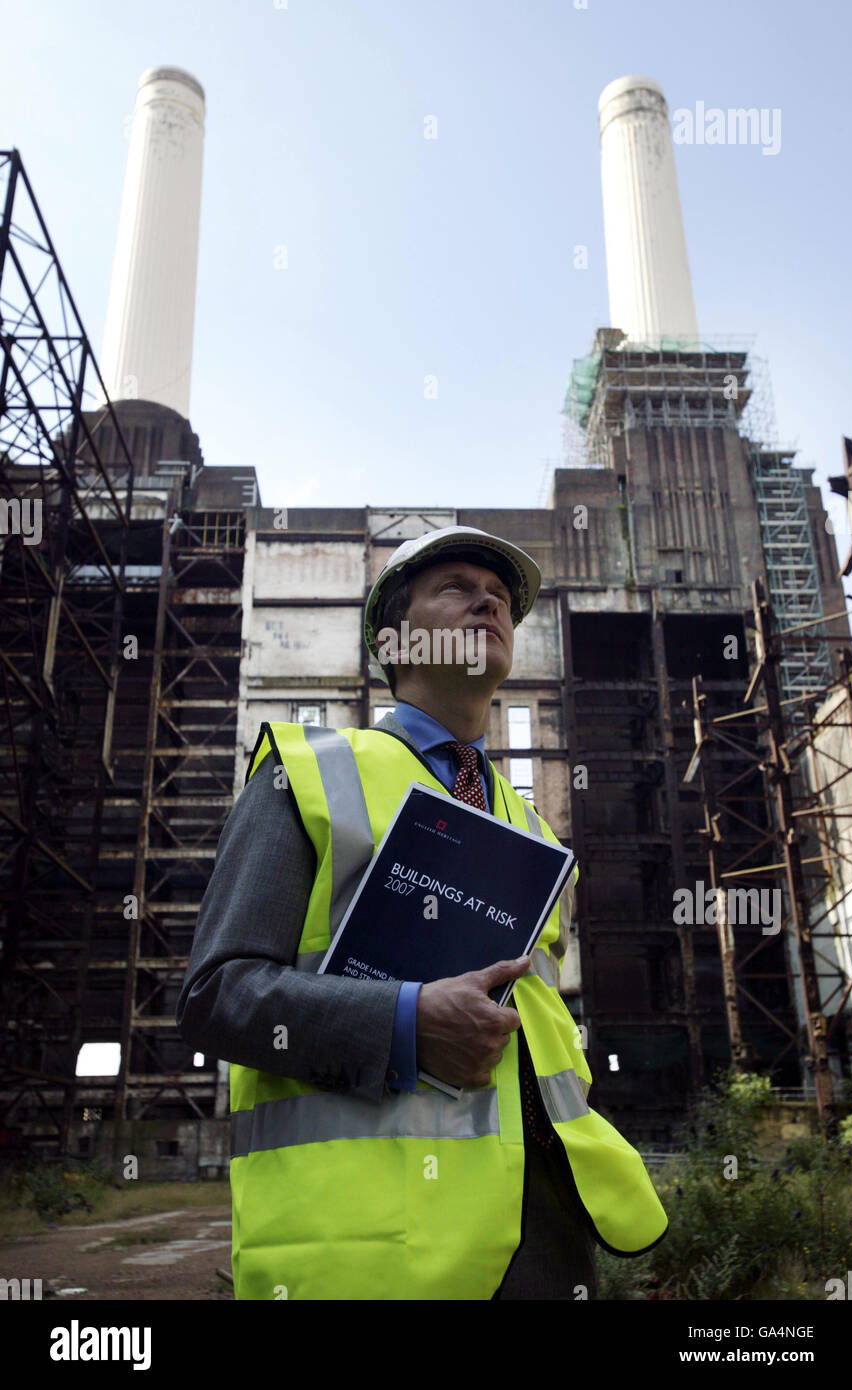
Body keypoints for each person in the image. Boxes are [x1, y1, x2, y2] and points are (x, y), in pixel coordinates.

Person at [176, 524, 668, 1299]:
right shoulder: (305, 775)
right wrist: (406, 1023)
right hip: (377, 1252)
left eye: (501, 598)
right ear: (394, 642)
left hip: (546, 1235)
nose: (489, 604)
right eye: (457, 589)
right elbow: (216, 998)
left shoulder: (532, 830)